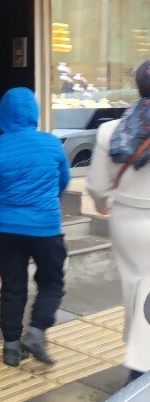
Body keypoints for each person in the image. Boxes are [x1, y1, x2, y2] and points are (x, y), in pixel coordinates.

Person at [0, 87, 71, 367]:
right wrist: (49, 206)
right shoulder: (52, 144)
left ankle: (10, 347)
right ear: (34, 113)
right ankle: (37, 332)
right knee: (52, 283)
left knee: (13, 287)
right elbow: (63, 181)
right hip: (47, 228)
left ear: (2, 114)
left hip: (9, 230)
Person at [88, 60, 150, 384]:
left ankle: (140, 366)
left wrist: (102, 205)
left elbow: (97, 187)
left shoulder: (111, 130)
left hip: (128, 220)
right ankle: (141, 366)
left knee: (137, 288)